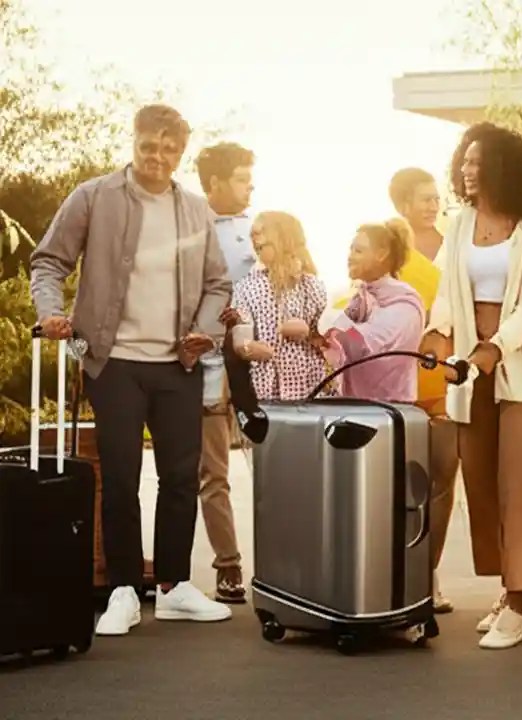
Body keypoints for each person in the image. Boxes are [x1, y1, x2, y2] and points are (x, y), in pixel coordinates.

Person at [29, 104, 234, 637]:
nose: (158, 158)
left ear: (181, 152)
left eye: (170, 150)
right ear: (135, 141)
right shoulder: (94, 197)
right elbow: (49, 261)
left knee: (182, 477)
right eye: (149, 146)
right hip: (112, 359)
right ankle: (123, 588)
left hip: (177, 362)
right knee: (119, 477)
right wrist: (51, 312)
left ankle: (172, 587)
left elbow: (218, 284)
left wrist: (206, 331)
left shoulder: (194, 209)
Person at [421, 121, 522, 650]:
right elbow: (450, 291)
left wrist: (492, 350)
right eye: (464, 162)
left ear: (502, 166)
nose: (466, 171)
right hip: (468, 366)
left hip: (518, 365)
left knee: (519, 487)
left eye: (477, 162)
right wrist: (438, 332)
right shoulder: (459, 225)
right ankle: (505, 588)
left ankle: (519, 603)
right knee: (481, 484)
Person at [387, 167, 461, 613]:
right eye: (423, 199)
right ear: (402, 205)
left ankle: (428, 574)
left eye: (436, 198)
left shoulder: (457, 244)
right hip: (400, 384)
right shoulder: (390, 249)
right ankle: (397, 573)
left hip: (447, 382)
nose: (433, 205)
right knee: (399, 484)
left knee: (442, 481)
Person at [193, 141, 256, 604]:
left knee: (273, 466)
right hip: (210, 361)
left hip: (255, 361)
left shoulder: (261, 230)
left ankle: (286, 563)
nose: (250, 185)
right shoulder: (188, 227)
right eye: (240, 177)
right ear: (214, 182)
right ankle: (228, 565)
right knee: (213, 471)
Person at [321, 218, 426, 402]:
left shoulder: (405, 303)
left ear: (381, 254)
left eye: (359, 251)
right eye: (351, 250)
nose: (350, 256)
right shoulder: (359, 298)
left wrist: (334, 324)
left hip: (390, 409)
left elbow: (367, 346)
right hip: (357, 405)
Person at [228, 211, 329, 400]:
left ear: (284, 241)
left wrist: (311, 332)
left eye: (262, 241)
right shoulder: (248, 287)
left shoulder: (312, 286)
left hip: (308, 384)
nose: (255, 242)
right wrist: (247, 347)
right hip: (266, 386)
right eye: (255, 243)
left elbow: (324, 335)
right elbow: (241, 333)